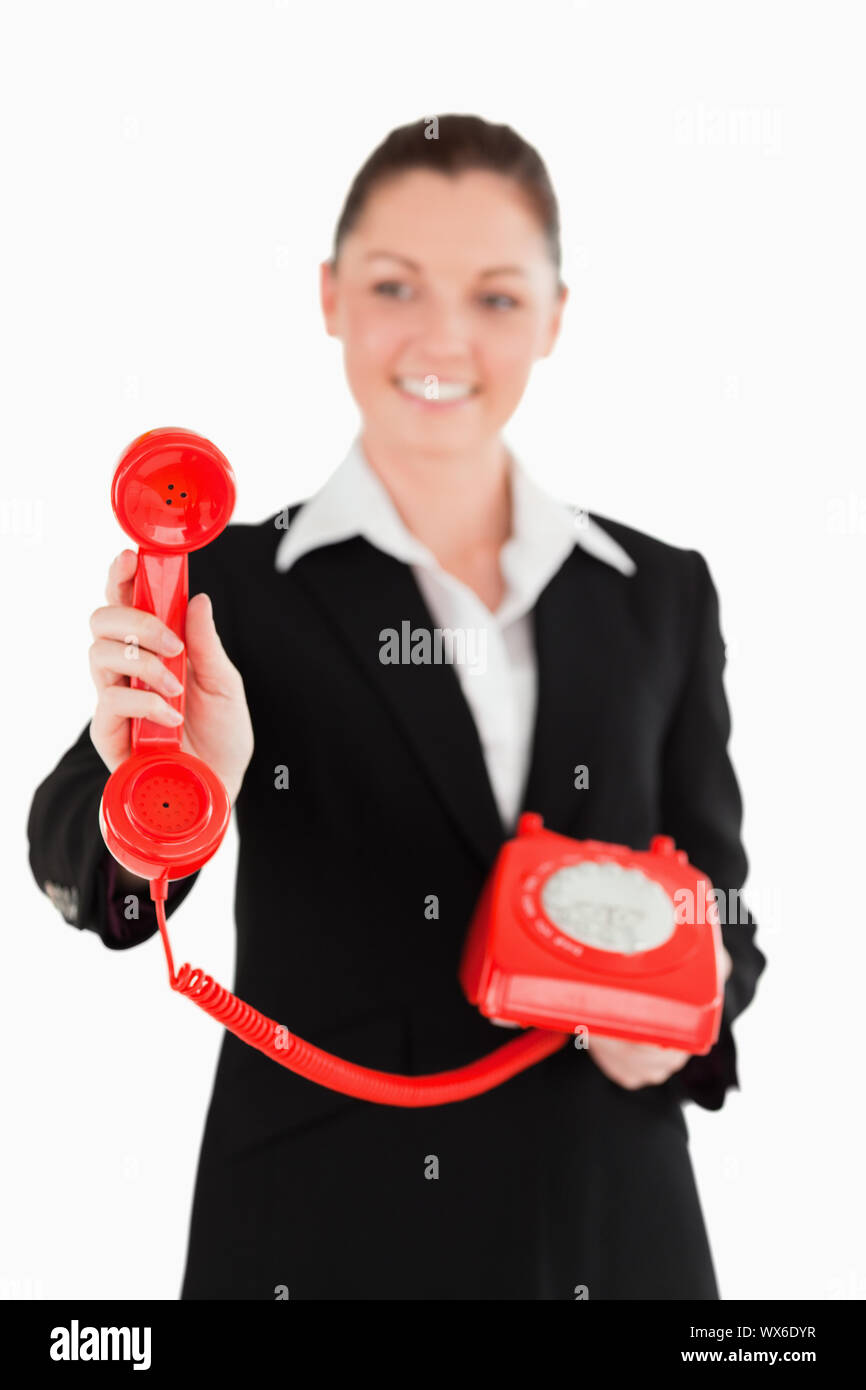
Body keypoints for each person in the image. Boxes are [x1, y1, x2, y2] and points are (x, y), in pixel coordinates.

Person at [27, 113, 766, 1300]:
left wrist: (687, 1013)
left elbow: (719, 903)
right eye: (393, 284)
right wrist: (173, 793)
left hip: (608, 1232)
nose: (440, 336)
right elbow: (80, 858)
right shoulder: (226, 581)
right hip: (320, 1237)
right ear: (328, 296)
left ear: (554, 315)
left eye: (495, 296)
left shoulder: (661, 593)